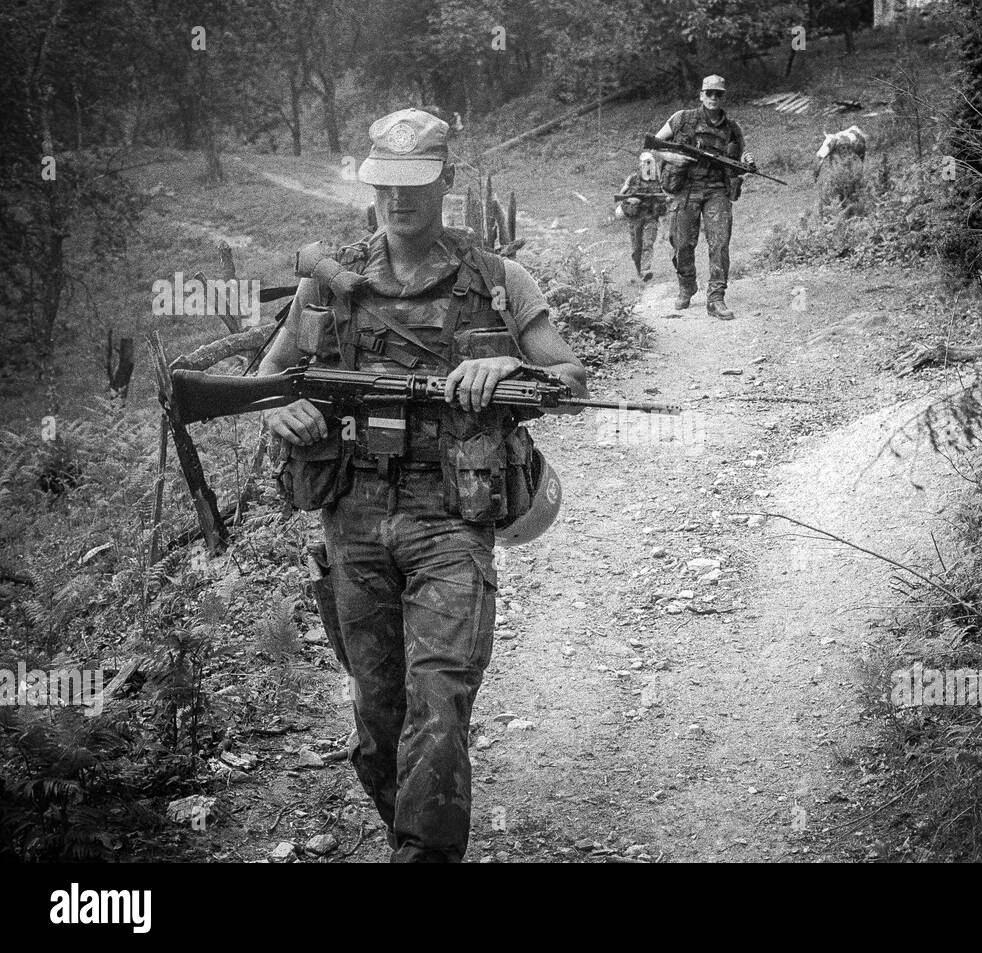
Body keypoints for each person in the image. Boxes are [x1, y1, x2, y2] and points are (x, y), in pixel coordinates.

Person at [258, 108, 588, 862]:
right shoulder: (330, 286)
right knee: (378, 720)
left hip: (450, 516)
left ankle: (422, 852)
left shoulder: (498, 282)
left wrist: (513, 367)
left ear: (447, 179)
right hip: (354, 514)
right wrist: (282, 406)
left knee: (438, 704)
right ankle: (415, 828)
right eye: (385, 184)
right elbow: (266, 379)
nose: (398, 200)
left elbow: (570, 377)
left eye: (415, 183)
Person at [654, 74, 756, 320]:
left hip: (716, 190)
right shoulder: (681, 119)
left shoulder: (732, 129)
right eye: (708, 93)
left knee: (719, 242)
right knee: (681, 244)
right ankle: (687, 285)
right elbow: (653, 145)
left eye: (718, 94)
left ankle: (716, 298)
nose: (713, 98)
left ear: (723, 97)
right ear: (701, 95)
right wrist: (671, 157)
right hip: (685, 188)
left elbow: (735, 164)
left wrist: (746, 163)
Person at [614, 151, 668, 281]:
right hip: (635, 217)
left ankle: (645, 270)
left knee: (648, 243)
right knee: (636, 248)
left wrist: (665, 200)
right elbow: (621, 195)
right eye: (644, 162)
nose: (646, 165)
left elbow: (665, 194)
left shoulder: (658, 179)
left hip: (651, 216)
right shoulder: (633, 178)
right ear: (640, 163)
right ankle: (640, 270)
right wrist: (631, 199)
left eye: (649, 162)